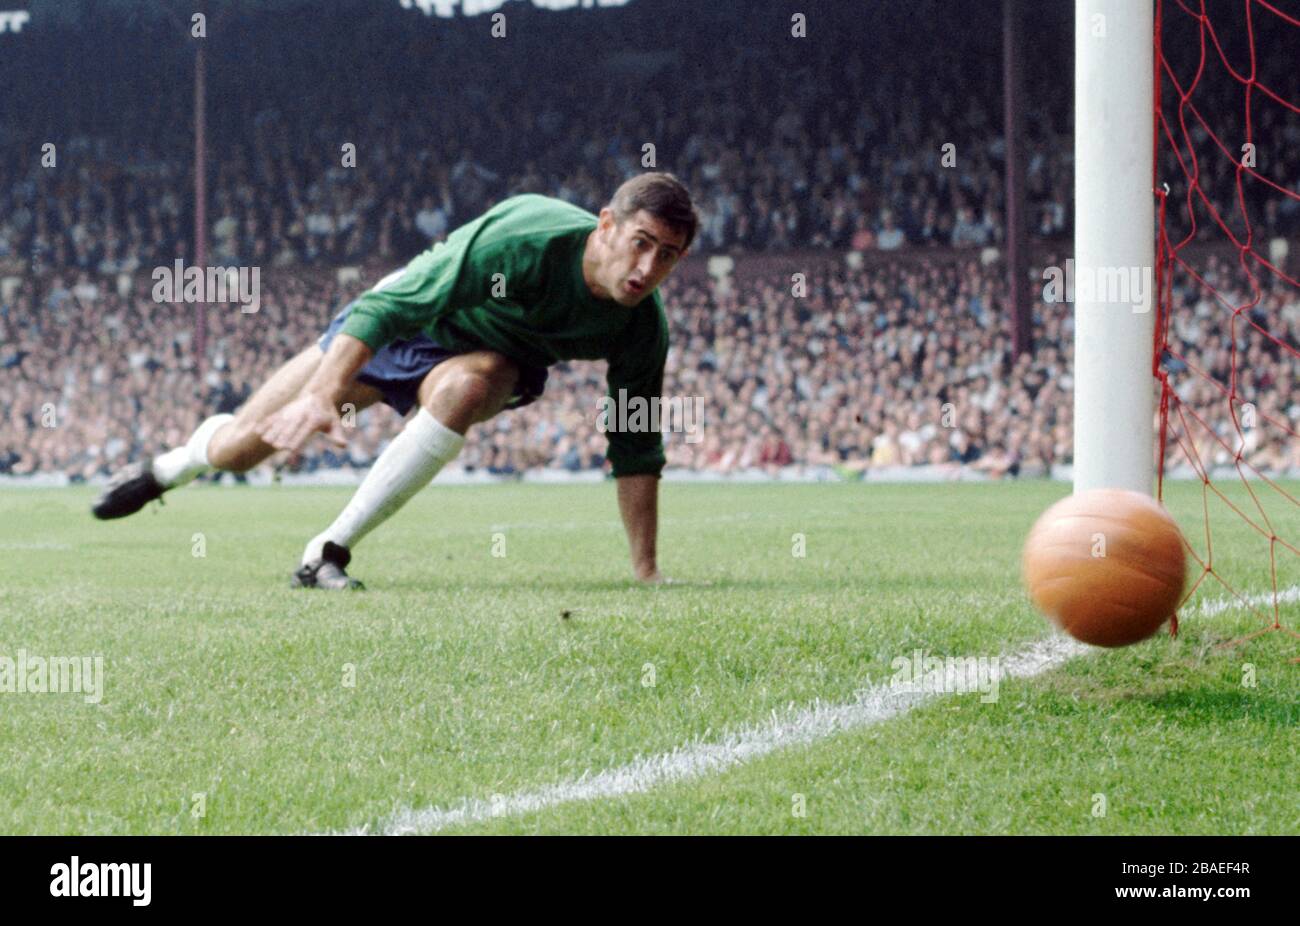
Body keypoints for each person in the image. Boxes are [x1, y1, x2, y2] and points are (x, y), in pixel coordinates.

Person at [93, 172, 698, 589]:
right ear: (607, 225)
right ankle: (168, 469)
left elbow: (635, 442)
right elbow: (387, 310)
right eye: (641, 243)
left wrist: (646, 570)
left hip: (486, 360)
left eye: (668, 256)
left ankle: (326, 551)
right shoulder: (524, 239)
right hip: (406, 324)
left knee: (468, 386)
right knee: (238, 452)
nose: (647, 269)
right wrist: (324, 395)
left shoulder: (642, 326)